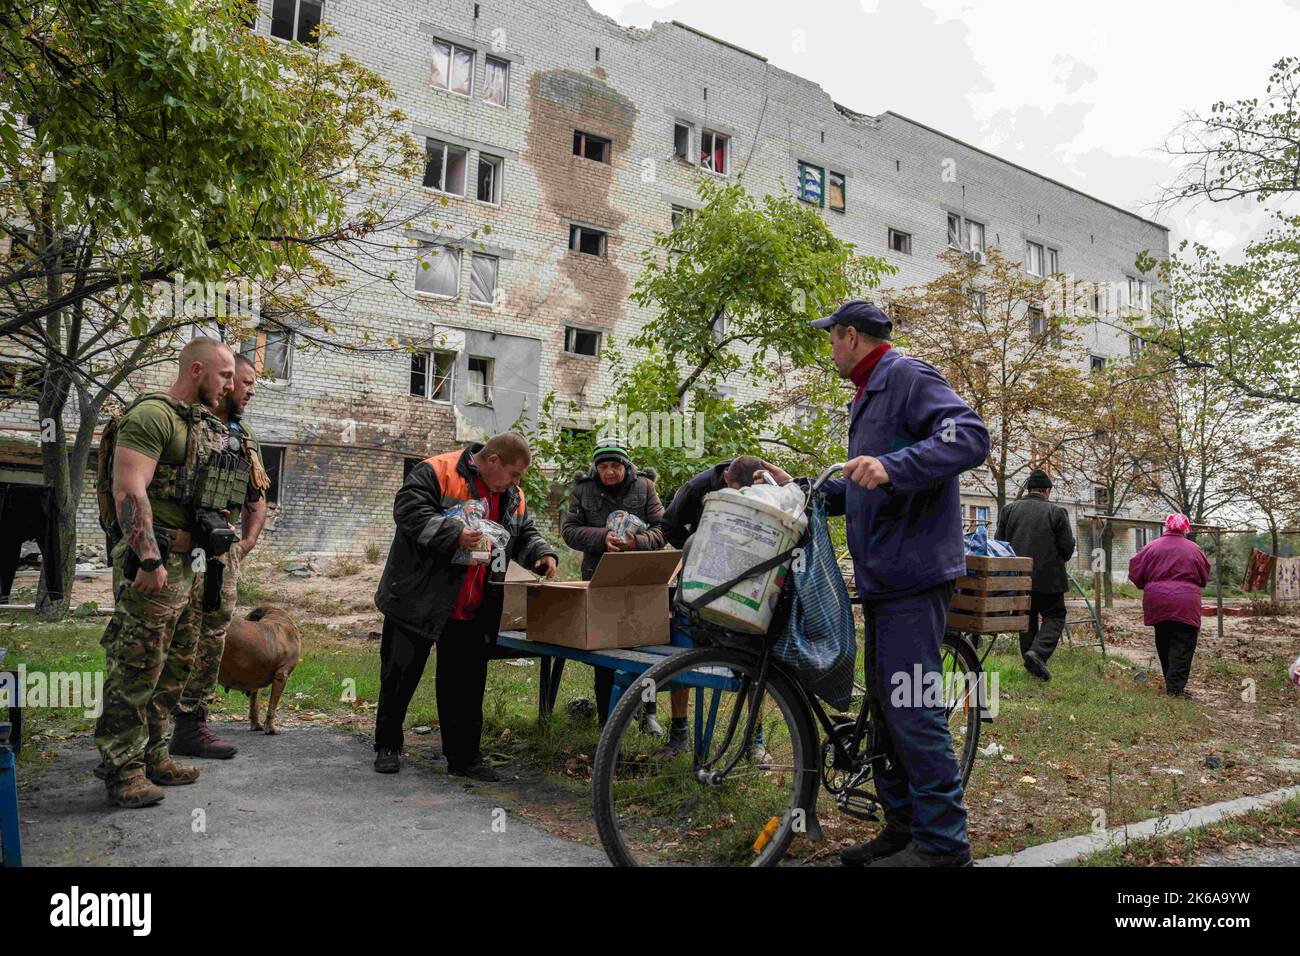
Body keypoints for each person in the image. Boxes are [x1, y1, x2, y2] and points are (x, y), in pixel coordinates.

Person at [814, 300, 990, 868]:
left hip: (914, 575)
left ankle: (943, 846)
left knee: (913, 709)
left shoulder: (907, 376)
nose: (830, 349)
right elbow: (864, 483)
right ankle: (902, 828)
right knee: (888, 711)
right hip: (884, 578)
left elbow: (970, 435)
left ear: (851, 336)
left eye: (831, 339)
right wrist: (802, 487)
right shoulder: (866, 396)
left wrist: (895, 466)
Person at [95, 337, 239, 808]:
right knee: (136, 668)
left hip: (190, 566)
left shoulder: (199, 424)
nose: (230, 384)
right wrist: (149, 559)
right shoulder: (152, 416)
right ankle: (122, 770)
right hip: (154, 564)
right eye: (224, 375)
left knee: (174, 669)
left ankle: (155, 756)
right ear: (196, 369)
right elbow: (129, 490)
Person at [372, 432, 558, 780]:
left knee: (466, 684)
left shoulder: (512, 495)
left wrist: (542, 552)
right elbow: (408, 512)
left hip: (474, 605)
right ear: (493, 461)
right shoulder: (437, 471)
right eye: (514, 474)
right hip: (418, 597)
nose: (517, 483)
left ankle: (464, 758)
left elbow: (523, 532)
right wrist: (454, 533)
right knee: (399, 674)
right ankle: (388, 744)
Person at [170, 352, 271, 760]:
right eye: (243, 382)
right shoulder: (180, 422)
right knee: (165, 634)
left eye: (248, 383)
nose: (247, 390)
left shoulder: (242, 436)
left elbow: (257, 495)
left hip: (219, 555)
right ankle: (139, 729)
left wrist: (246, 543)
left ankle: (191, 725)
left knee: (211, 636)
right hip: (176, 550)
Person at [660, 454, 791, 755]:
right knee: (682, 652)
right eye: (736, 492)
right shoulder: (697, 488)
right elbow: (668, 524)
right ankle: (679, 733)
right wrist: (697, 549)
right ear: (725, 480)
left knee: (755, 660)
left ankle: (754, 740)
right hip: (699, 581)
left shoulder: (767, 487)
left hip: (745, 581)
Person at [561, 438, 666, 729]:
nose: (609, 472)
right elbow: (569, 531)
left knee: (644, 646)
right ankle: (607, 719)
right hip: (599, 576)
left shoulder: (644, 487)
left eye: (615, 466)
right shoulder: (583, 490)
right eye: (603, 466)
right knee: (603, 645)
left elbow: (662, 528)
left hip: (640, 577)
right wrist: (601, 538)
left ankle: (648, 714)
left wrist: (636, 542)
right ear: (596, 468)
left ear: (626, 465)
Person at [994, 468, 1075, 681]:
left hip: (1018, 577)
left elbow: (999, 545)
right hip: (1050, 579)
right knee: (1055, 615)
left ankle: (1031, 661)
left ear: (1029, 489)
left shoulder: (1008, 510)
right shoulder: (1057, 512)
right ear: (1047, 491)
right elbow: (1067, 548)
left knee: (1026, 618)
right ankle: (1037, 654)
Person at [1128, 513, 1209, 698]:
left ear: (1167, 526)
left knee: (1163, 640)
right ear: (1185, 528)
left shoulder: (1151, 547)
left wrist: (1147, 585)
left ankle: (1171, 684)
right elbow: (1204, 576)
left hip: (1158, 601)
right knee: (1183, 644)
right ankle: (1175, 689)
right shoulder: (1194, 549)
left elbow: (1135, 570)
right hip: (1185, 603)